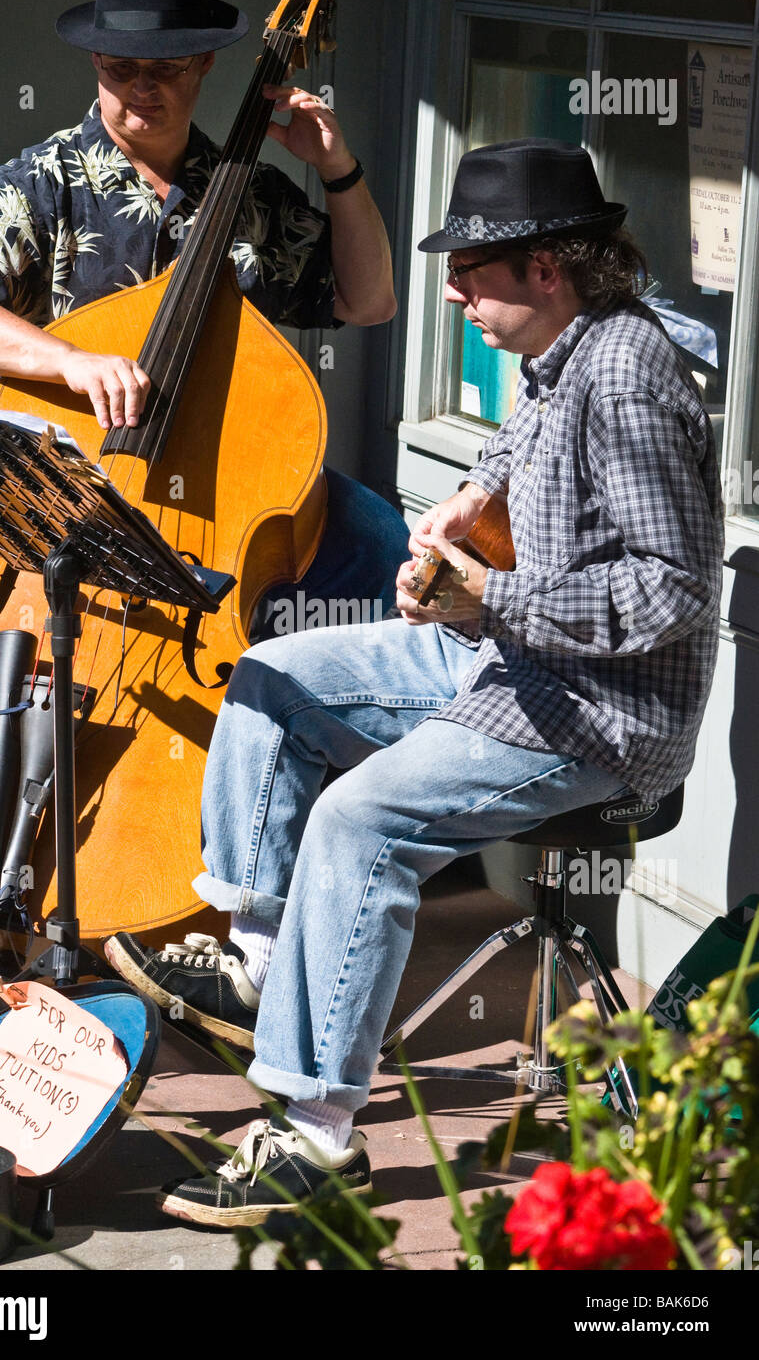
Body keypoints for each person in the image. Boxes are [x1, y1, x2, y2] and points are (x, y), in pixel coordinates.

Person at [106, 137, 724, 1226]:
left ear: (548, 266)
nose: (449, 290)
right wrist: (450, 524)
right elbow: (512, 460)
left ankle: (314, 1131)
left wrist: (492, 603)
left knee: (361, 817)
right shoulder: (558, 353)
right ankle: (262, 962)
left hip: (598, 711)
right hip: (504, 657)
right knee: (268, 680)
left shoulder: (627, 377)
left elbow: (668, 591)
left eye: (471, 268)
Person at [0, 0, 409, 1001]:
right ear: (94, 64)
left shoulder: (251, 195)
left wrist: (338, 170)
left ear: (205, 67)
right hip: (45, 501)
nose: (144, 87)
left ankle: (275, 893)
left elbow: (367, 299)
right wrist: (63, 362)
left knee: (387, 558)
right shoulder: (43, 179)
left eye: (168, 68)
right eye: (123, 66)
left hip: (206, 510)